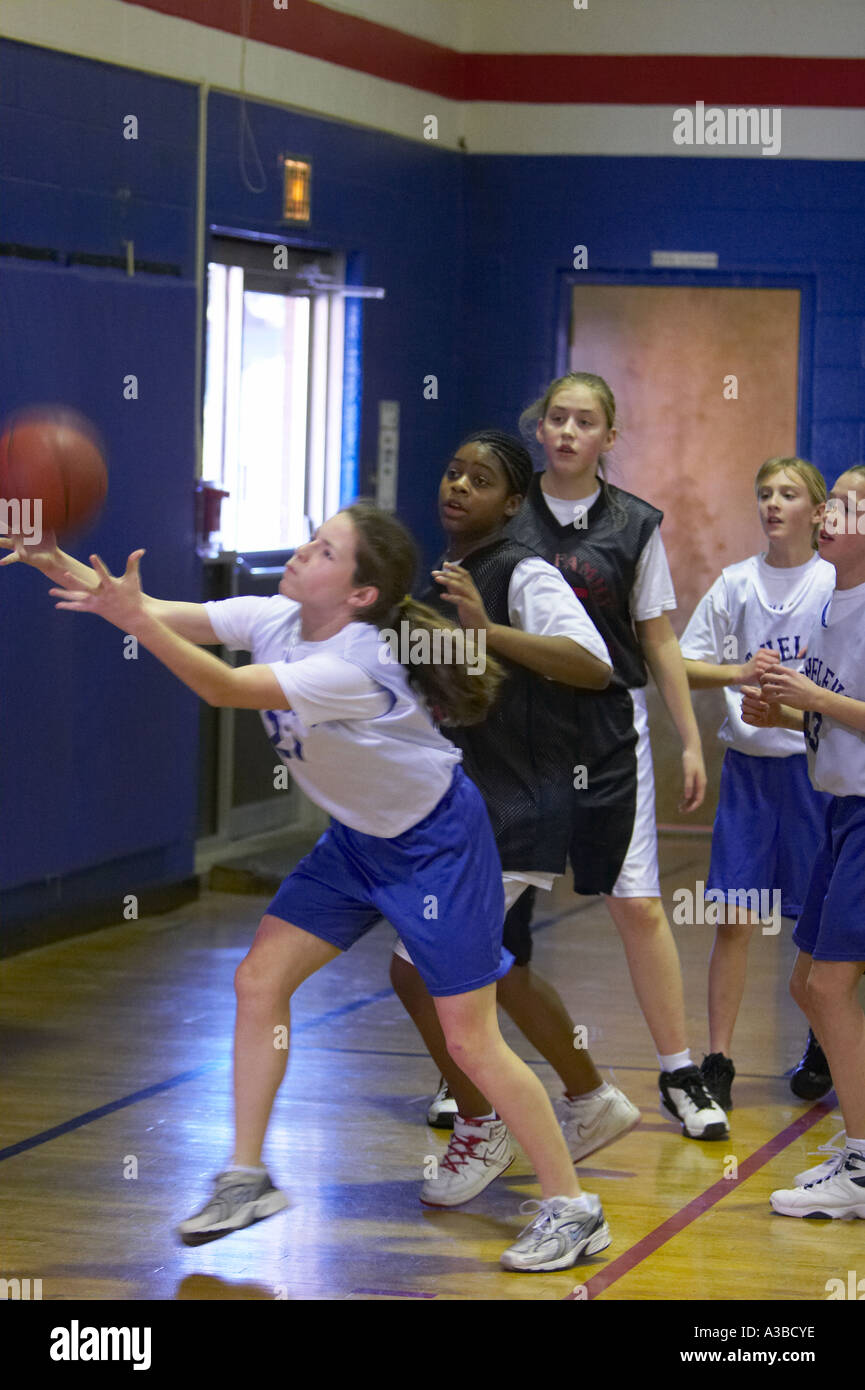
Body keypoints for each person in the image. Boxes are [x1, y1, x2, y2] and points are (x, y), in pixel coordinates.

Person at [2, 504, 612, 1271]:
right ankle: (246, 1177)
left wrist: (135, 621)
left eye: (324, 550)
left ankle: (572, 1208)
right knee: (259, 979)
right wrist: (54, 559)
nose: (301, 551)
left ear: (357, 594)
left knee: (469, 1039)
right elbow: (161, 613)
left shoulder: (356, 663)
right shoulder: (277, 616)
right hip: (355, 841)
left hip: (433, 848)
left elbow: (222, 691)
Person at [389, 430, 641, 1207]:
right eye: (452, 470)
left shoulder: (523, 572)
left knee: (415, 967)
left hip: (516, 805)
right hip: (469, 807)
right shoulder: (449, 576)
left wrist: (483, 633)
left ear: (514, 501)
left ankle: (480, 1122)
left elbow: (592, 663)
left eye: (481, 478)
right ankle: (590, 1098)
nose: (459, 485)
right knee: (502, 969)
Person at [508, 371, 728, 1140]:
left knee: (635, 904)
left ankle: (677, 1071)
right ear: (540, 428)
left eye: (585, 421)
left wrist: (691, 739)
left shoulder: (634, 524)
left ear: (609, 437)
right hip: (519, 733)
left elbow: (658, 640)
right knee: (494, 905)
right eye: (557, 418)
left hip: (607, 733)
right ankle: (461, 1067)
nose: (568, 431)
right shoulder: (503, 512)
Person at [679, 457, 835, 1111]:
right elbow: (682, 664)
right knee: (734, 922)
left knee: (820, 929)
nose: (772, 503)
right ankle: (718, 1059)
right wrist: (737, 675)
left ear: (817, 510)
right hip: (747, 776)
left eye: (787, 493)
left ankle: (821, 1046)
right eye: (763, 492)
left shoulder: (834, 582)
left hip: (814, 774)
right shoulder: (735, 584)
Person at [741, 467, 865, 1218]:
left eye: (853, 505)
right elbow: (829, 719)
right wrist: (783, 712)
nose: (830, 513)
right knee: (804, 985)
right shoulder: (824, 600)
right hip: (839, 814)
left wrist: (812, 698)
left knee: (825, 987)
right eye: (836, 499)